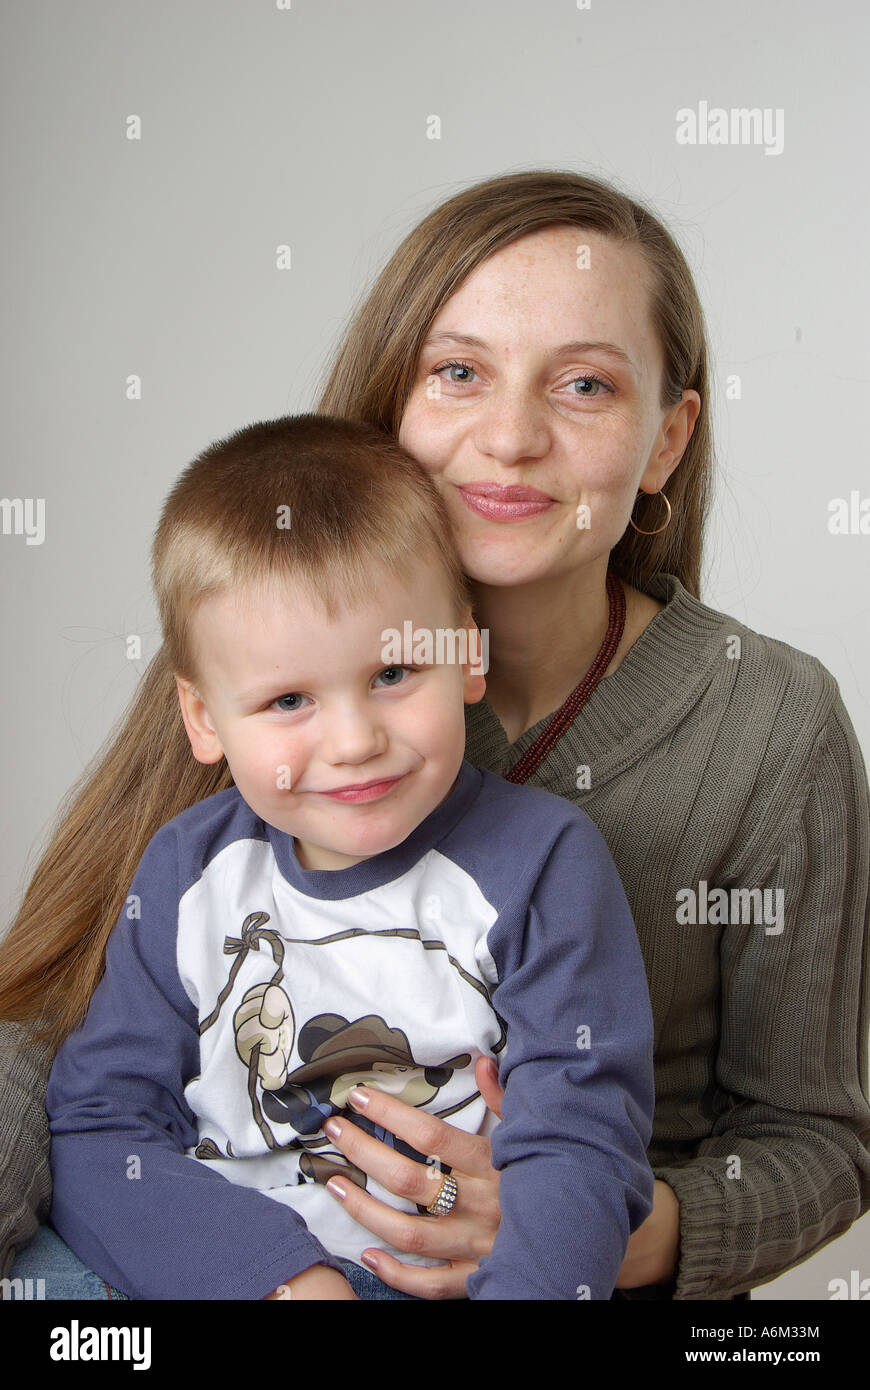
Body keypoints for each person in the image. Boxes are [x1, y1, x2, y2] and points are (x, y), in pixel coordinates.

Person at [2, 169, 869, 1301]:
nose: (509, 438)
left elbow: (820, 1142)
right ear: (389, 408)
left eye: (586, 386)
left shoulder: (768, 722)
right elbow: (61, 1021)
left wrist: (599, 1226)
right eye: (459, 373)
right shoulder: (266, 656)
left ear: (665, 440)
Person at [41, 413, 656, 1301]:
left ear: (468, 653)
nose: (355, 740)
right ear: (205, 719)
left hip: (423, 1278)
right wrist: (278, 1279)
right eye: (290, 699)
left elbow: (579, 1144)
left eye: (394, 674)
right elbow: (99, 1126)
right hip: (217, 1267)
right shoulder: (187, 874)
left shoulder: (543, 862)